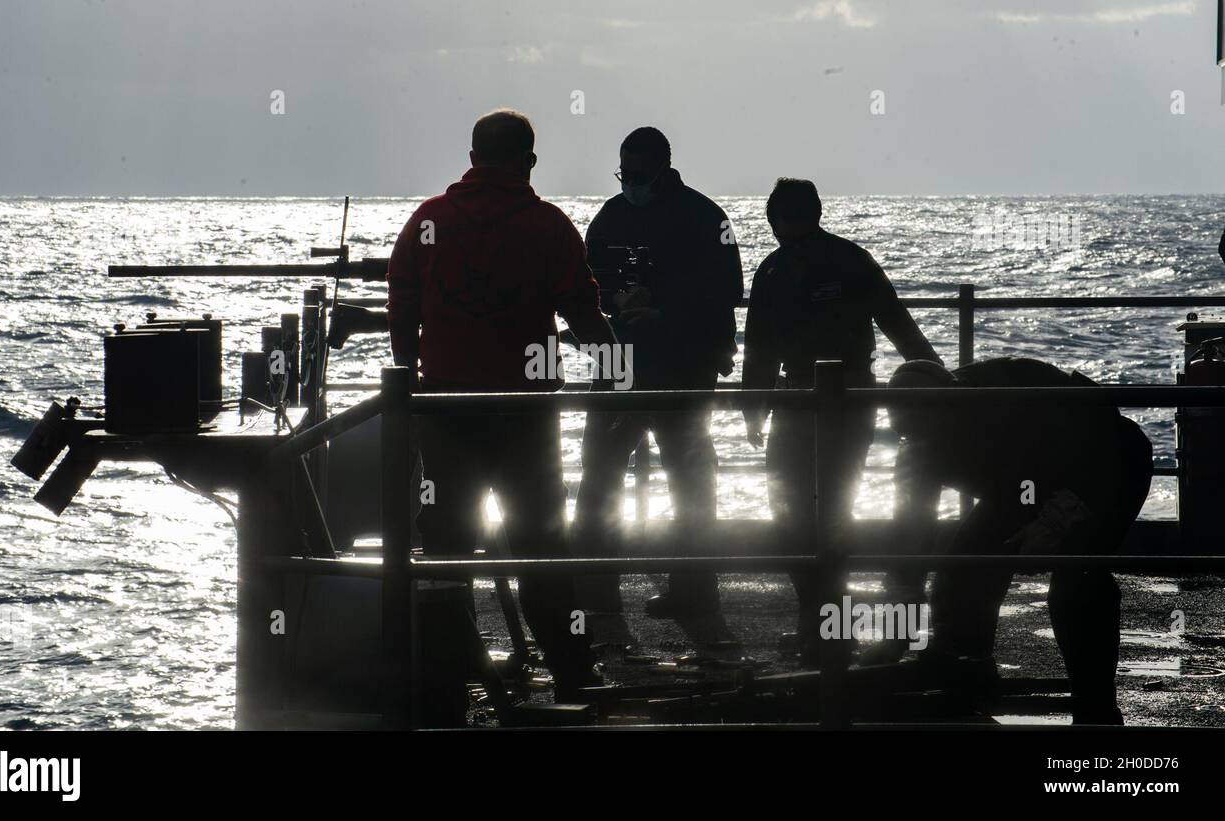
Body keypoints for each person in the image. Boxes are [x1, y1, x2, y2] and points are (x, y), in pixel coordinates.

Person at [386, 109, 621, 700]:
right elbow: (583, 311)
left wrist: (409, 372)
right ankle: (570, 666)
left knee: (444, 541)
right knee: (541, 540)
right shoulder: (546, 226)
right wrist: (618, 376)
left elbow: (401, 301)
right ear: (529, 162)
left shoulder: (429, 221)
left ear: (471, 159)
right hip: (525, 414)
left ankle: (443, 672)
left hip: (444, 408)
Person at [887, 357, 1153, 725]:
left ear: (954, 406)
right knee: (962, 568)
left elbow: (1099, 444)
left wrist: (1054, 520)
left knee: (1077, 579)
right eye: (916, 436)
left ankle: (1096, 705)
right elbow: (911, 527)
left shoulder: (1010, 401)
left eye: (935, 432)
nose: (927, 442)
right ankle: (969, 665)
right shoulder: (919, 444)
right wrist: (902, 595)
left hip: (1108, 465)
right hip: (1021, 485)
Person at [742, 178, 941, 662]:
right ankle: (829, 621)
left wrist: (753, 410)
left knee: (792, 512)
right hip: (854, 393)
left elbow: (760, 350)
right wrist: (938, 383)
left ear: (775, 220)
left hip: (799, 397)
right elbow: (899, 325)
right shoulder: (854, 259)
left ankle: (821, 619)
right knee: (834, 506)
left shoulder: (772, 270)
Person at [571, 126, 744, 642]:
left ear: (663, 167)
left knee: (684, 480)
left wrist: (663, 312)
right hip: (631, 365)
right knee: (604, 477)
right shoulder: (626, 215)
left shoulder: (703, 215)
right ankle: (602, 593)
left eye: (638, 173)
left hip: (673, 368)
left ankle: (687, 589)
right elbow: (586, 280)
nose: (631, 182)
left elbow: (727, 289)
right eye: (625, 174)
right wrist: (619, 304)